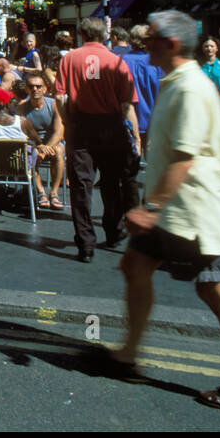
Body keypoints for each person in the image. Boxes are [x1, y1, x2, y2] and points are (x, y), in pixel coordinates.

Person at [108, 10, 220, 414]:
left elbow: (184, 156)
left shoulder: (191, 88)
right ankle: (128, 353)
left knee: (216, 290)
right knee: (135, 265)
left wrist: (151, 207)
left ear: (171, 43)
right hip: (176, 211)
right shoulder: (176, 81)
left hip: (194, 212)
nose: (144, 42)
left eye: (151, 37)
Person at [54, 17, 140, 262]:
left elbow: (60, 98)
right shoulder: (116, 61)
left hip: (81, 126)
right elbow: (126, 105)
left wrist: (68, 121)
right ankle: (113, 230)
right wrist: (135, 137)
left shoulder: (68, 59)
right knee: (112, 184)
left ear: (82, 35)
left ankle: (85, 244)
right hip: (111, 127)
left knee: (81, 186)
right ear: (105, 36)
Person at [18, 72, 65, 208]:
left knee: (58, 151)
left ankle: (54, 192)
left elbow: (59, 132)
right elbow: (21, 133)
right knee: (32, 155)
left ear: (45, 88)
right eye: (31, 86)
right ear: (26, 89)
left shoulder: (54, 104)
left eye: (39, 86)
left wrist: (46, 148)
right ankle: (41, 192)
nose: (35, 89)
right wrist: (38, 147)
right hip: (33, 144)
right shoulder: (21, 108)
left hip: (52, 143)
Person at [121, 25, 162, 160]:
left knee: (129, 170)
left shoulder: (122, 61)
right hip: (153, 122)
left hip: (128, 122)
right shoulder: (158, 62)